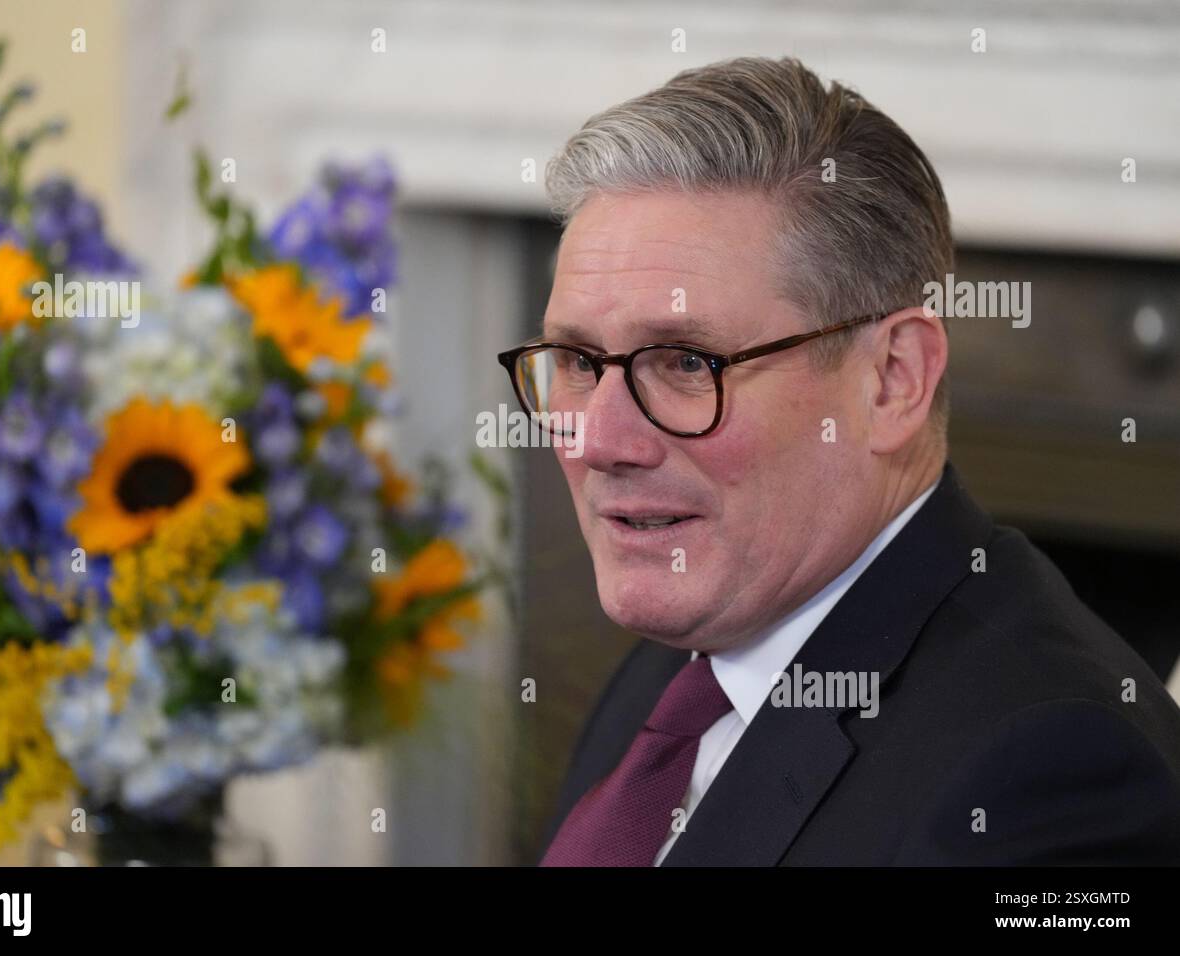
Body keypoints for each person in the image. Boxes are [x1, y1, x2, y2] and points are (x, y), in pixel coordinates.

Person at [495, 56, 1180, 866]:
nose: (598, 440)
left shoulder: (1054, 779)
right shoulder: (677, 673)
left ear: (893, 380)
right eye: (577, 361)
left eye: (685, 364)